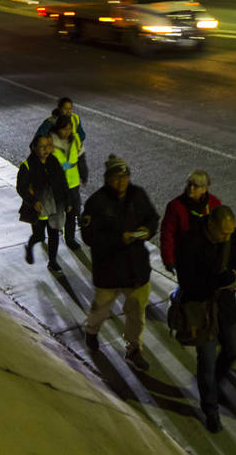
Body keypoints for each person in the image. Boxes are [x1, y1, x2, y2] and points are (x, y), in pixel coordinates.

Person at [81, 155, 159, 372]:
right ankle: (92, 331)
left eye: (125, 177)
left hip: (136, 269)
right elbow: (88, 236)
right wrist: (118, 239)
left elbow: (153, 218)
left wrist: (148, 231)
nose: (122, 181)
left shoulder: (138, 195)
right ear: (107, 179)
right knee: (101, 308)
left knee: (136, 314)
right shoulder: (96, 203)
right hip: (109, 270)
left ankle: (134, 349)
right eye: (116, 177)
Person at [175, 205, 236, 433]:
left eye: (230, 232)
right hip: (201, 309)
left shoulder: (231, 234)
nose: (228, 237)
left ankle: (215, 384)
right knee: (206, 361)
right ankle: (211, 410)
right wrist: (218, 281)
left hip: (225, 304)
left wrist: (234, 276)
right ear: (211, 225)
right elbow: (188, 284)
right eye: (224, 233)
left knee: (233, 350)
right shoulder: (189, 242)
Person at [17, 134, 72, 272]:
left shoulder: (53, 161)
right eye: (42, 147)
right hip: (38, 209)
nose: (46, 150)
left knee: (54, 234)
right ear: (34, 148)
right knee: (39, 236)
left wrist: (68, 201)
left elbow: (62, 182)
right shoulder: (27, 166)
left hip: (55, 206)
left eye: (48, 146)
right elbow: (21, 188)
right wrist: (32, 201)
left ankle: (52, 261)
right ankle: (30, 246)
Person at [160, 169, 222, 273]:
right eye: (189, 184)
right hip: (185, 258)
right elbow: (167, 234)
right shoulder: (175, 206)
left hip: (208, 259)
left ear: (205, 188)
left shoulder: (214, 204)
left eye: (195, 186)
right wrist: (168, 260)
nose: (191, 188)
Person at [50, 114, 85, 251]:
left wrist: (83, 174)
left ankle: (70, 238)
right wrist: (66, 166)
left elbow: (80, 157)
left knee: (73, 212)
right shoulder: (51, 143)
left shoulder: (75, 139)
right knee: (58, 212)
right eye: (64, 129)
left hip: (73, 182)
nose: (67, 132)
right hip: (58, 185)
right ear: (58, 128)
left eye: (69, 129)